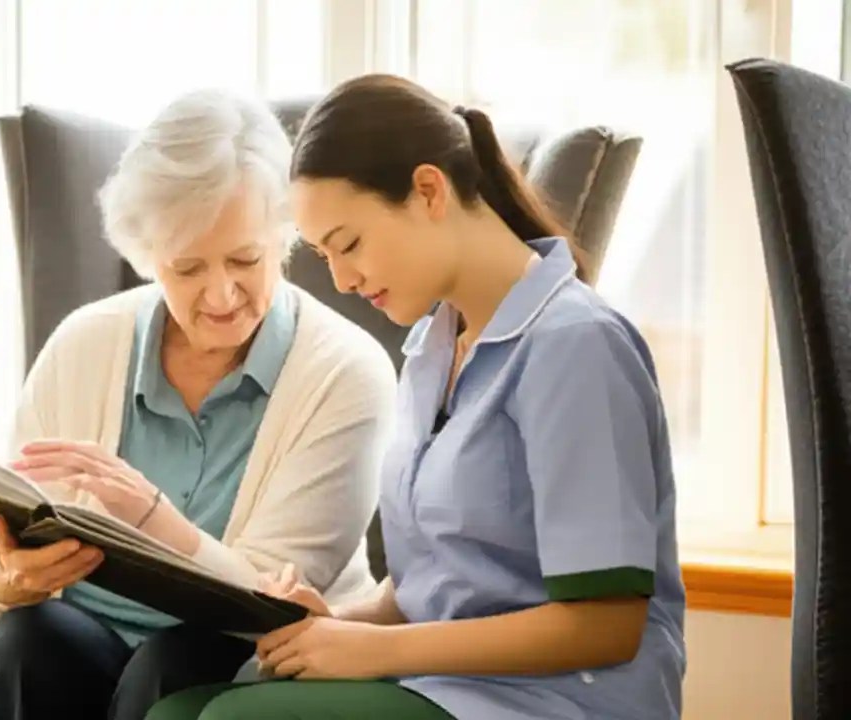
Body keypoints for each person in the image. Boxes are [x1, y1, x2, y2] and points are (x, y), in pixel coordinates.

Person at [148, 74, 687, 720]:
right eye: (324, 257)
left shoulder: (576, 346)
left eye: (348, 245)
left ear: (429, 190)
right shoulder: (432, 351)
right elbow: (431, 585)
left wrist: (373, 653)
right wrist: (334, 625)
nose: (342, 281)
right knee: (176, 708)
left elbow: (605, 625)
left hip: (556, 703)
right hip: (436, 685)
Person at [0, 88, 398, 720]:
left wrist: (154, 518)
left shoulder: (346, 371)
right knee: (23, 640)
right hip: (84, 641)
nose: (221, 294)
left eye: (245, 259)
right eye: (187, 269)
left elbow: (270, 604)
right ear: (147, 258)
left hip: (248, 652)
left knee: (174, 665)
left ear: (284, 235)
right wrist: (6, 581)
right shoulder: (85, 343)